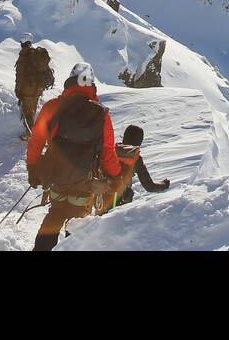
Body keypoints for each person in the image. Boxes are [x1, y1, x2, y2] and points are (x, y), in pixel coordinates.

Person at [26, 63, 120, 251]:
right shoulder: (101, 114)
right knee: (78, 226)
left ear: (69, 81)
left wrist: (33, 167)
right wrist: (115, 176)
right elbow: (108, 150)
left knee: (54, 215)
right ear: (92, 85)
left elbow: (36, 140)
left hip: (56, 177)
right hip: (85, 182)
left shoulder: (53, 106)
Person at [98, 125, 170, 214]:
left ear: (124, 136)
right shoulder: (135, 158)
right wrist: (164, 184)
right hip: (120, 205)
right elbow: (150, 187)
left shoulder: (111, 151)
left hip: (100, 200)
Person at [14, 34, 54, 138]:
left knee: (27, 113)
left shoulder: (24, 55)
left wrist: (18, 91)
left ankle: (31, 135)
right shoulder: (36, 54)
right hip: (38, 89)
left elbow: (20, 75)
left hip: (27, 90)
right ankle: (36, 134)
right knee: (31, 112)